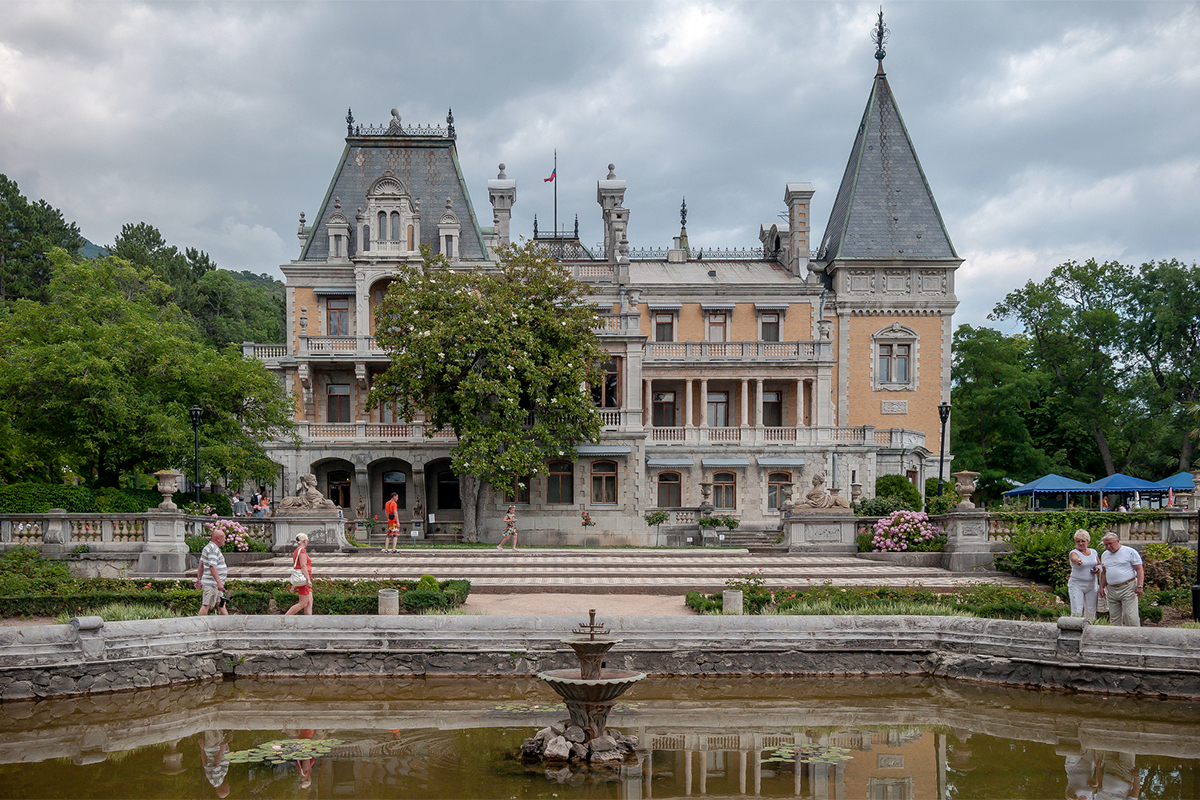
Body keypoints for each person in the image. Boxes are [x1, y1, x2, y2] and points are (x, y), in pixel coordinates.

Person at [1098, 532, 1144, 627]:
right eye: (1106, 544)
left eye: (1110, 543)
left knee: (1130, 616)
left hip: (1128, 586)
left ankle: (1134, 637)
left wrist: (1140, 585)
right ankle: (1116, 637)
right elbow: (1104, 572)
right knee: (1114, 617)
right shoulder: (1105, 555)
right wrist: (1101, 587)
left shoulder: (1130, 552)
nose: (1108, 546)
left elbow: (1139, 569)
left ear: (1118, 541)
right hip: (1112, 588)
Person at [195, 525, 228, 616]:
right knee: (206, 605)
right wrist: (219, 582)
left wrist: (199, 578)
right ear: (218, 539)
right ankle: (200, 625)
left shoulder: (208, 547)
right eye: (224, 538)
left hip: (214, 583)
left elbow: (201, 564)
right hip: (212, 584)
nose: (225, 540)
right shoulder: (213, 549)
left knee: (221, 604)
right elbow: (212, 566)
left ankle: (227, 625)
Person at [1067, 529, 1100, 620]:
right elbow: (1074, 558)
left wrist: (1097, 568)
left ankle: (1090, 628)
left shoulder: (1093, 552)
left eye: (1083, 541)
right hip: (1077, 584)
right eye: (1078, 541)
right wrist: (1078, 561)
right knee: (1077, 610)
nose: (1081, 544)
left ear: (1088, 541)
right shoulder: (1074, 552)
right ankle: (1075, 628)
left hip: (1092, 584)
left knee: (1091, 610)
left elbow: (1099, 564)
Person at [285, 533, 313, 615]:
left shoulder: (296, 551)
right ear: (304, 541)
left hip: (302, 578)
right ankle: (284, 618)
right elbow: (303, 566)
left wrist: (295, 585)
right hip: (304, 579)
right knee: (303, 603)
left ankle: (308, 622)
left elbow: (297, 567)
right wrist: (308, 580)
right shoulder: (302, 551)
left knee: (309, 602)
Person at [199, 729, 231, 798]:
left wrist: (221, 750)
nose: (229, 786)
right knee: (212, 727)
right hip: (212, 747)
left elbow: (215, 765)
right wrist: (202, 748)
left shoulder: (217, 781)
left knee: (212, 725)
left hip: (214, 746)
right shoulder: (214, 781)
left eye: (228, 789)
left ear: (223, 789)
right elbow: (205, 763)